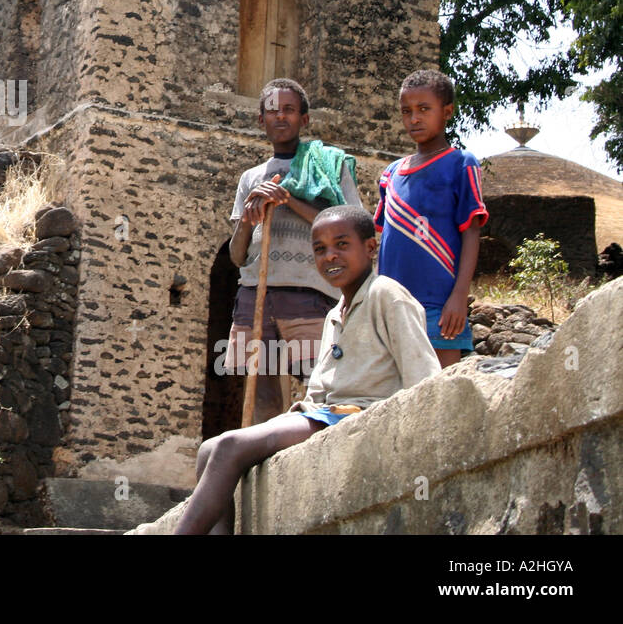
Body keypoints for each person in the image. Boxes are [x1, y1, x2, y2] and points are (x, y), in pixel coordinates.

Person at [175, 205, 441, 535]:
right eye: (320, 249)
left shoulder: (386, 295)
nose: (330, 256)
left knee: (230, 446)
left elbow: (423, 374)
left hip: (358, 413)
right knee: (208, 450)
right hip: (324, 412)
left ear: (370, 247)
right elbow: (320, 387)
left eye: (342, 245)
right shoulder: (335, 314)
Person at [224, 79, 361, 423]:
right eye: (272, 111)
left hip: (310, 295)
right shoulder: (251, 178)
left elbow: (350, 227)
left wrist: (289, 201)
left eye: (289, 110)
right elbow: (237, 256)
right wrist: (248, 219)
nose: (280, 117)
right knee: (261, 395)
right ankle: (263, 467)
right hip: (255, 295)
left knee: (323, 388)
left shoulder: (328, 168)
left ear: (305, 119)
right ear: (261, 121)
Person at [374, 69, 488, 368]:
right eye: (406, 111)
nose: (414, 118)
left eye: (424, 109)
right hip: (392, 306)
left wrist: (460, 296)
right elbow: (385, 240)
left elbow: (471, 233)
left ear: (447, 112)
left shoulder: (461, 164)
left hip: (439, 306)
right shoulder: (391, 174)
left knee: (440, 394)